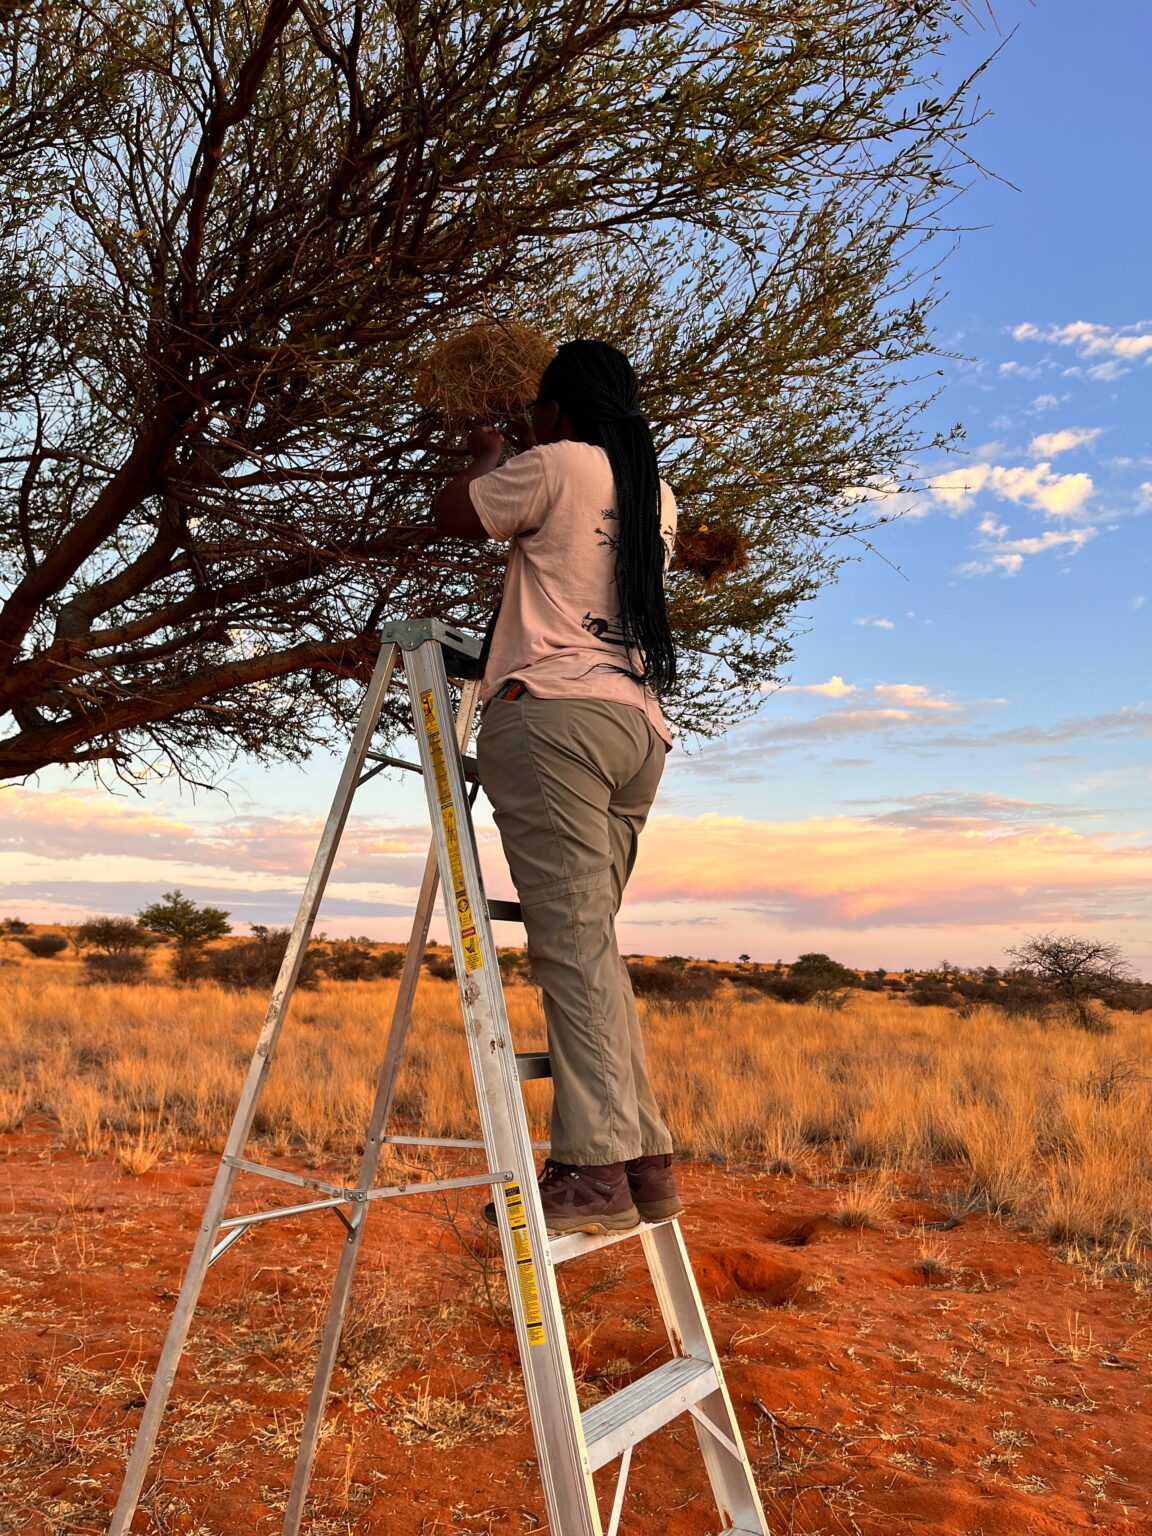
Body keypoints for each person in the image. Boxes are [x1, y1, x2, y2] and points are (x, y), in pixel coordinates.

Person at [431, 338, 683, 1236]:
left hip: (556, 721)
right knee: (593, 950)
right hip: (635, 731)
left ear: (562, 409)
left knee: (574, 952)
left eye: (540, 409)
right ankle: (644, 1156)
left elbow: (457, 515)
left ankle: (592, 1172)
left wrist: (484, 455)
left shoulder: (559, 462)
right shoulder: (655, 491)